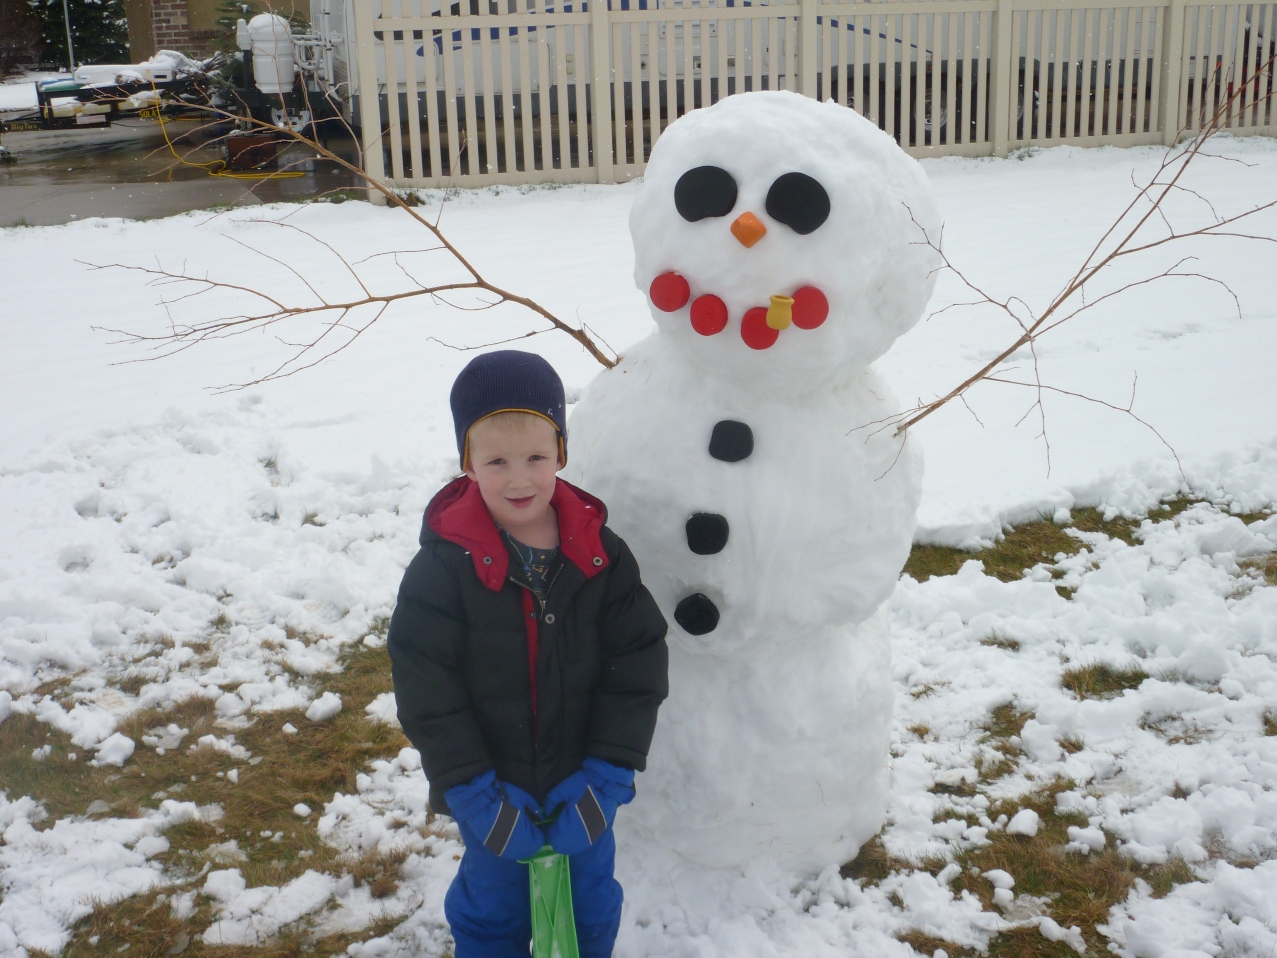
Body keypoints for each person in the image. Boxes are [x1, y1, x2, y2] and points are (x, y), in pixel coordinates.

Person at [388, 350, 669, 958]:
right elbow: (426, 686)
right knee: (493, 914)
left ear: (561, 453)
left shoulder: (599, 552)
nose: (520, 479)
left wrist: (608, 775)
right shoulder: (443, 566)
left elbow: (638, 663)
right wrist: (470, 792)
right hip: (495, 793)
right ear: (467, 462)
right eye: (497, 460)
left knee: (591, 908)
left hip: (582, 787)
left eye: (537, 457)